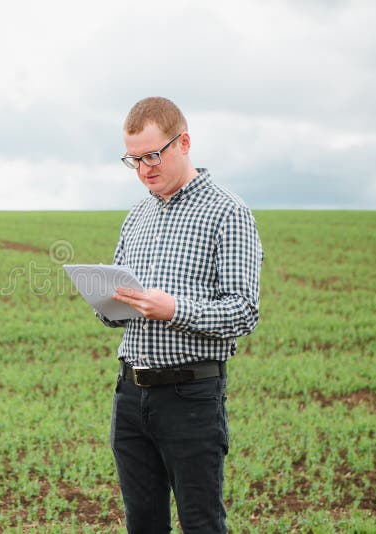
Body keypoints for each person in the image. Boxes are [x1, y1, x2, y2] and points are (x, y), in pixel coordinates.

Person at [96, 96, 263, 533]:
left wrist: (174, 310)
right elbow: (122, 304)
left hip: (191, 397)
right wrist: (107, 304)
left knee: (201, 524)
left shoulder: (228, 212)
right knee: (143, 525)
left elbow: (244, 311)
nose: (144, 169)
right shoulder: (136, 217)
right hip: (130, 394)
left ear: (183, 142)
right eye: (133, 160)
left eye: (153, 155)